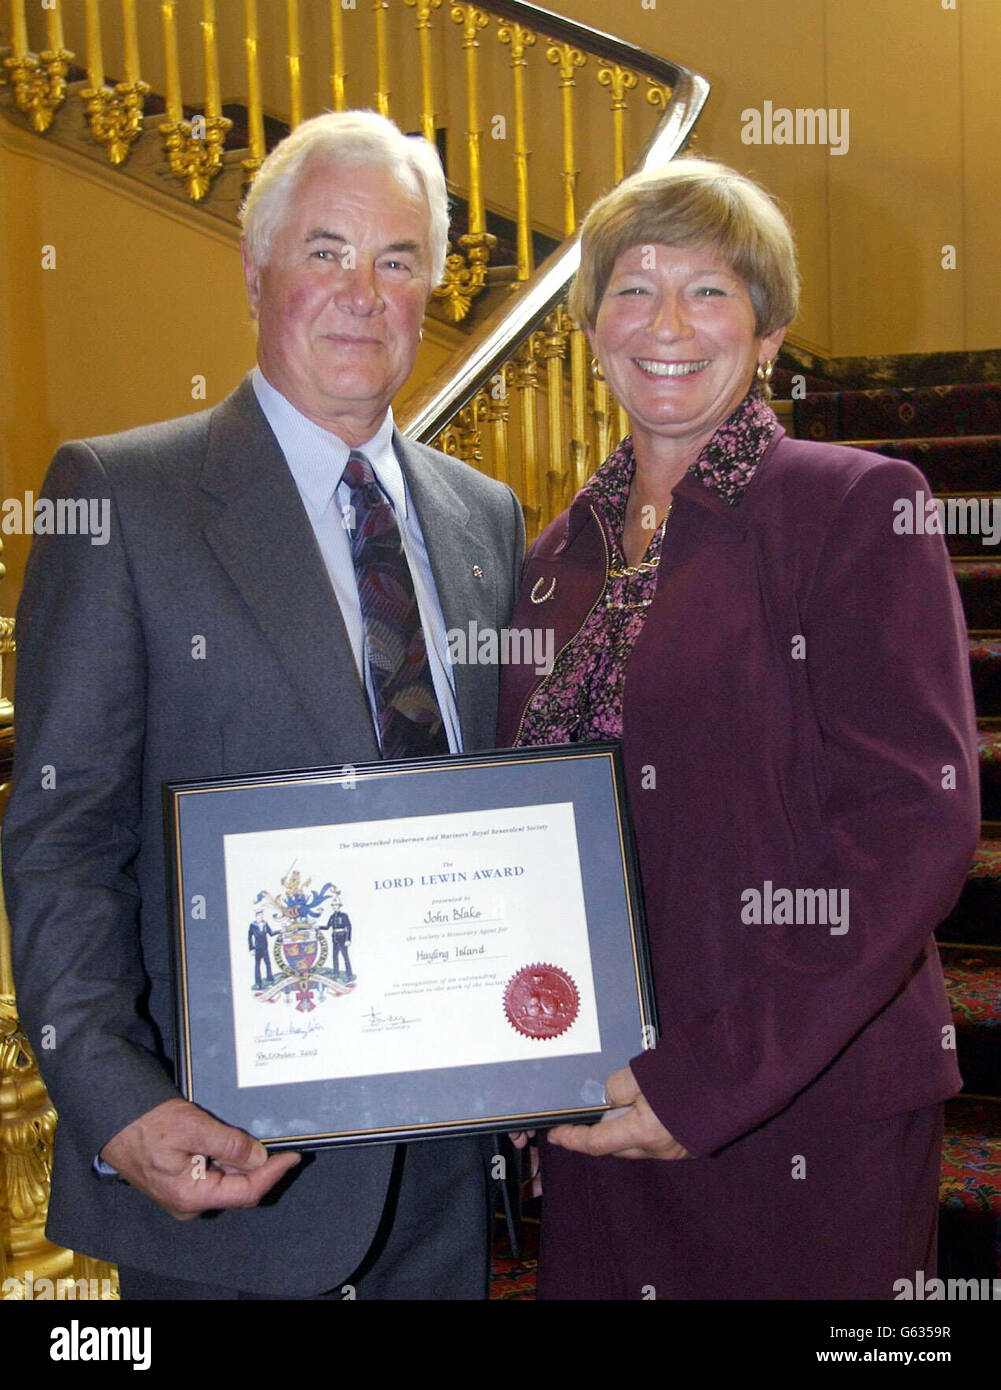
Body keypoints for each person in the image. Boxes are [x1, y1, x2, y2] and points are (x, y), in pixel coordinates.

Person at [4, 110, 524, 1300]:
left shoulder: (481, 520)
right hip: (229, 1176)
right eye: (326, 251)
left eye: (396, 261)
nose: (361, 292)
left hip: (442, 1187)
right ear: (253, 272)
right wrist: (114, 1095)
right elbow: (61, 836)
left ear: (430, 289)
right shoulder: (124, 499)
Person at [497, 157, 979, 1299]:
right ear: (590, 327)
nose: (664, 321)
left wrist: (704, 1077)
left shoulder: (853, 505)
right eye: (630, 288)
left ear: (766, 334)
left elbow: (914, 823)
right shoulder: (551, 559)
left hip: (800, 1108)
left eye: (707, 289)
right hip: (602, 1098)